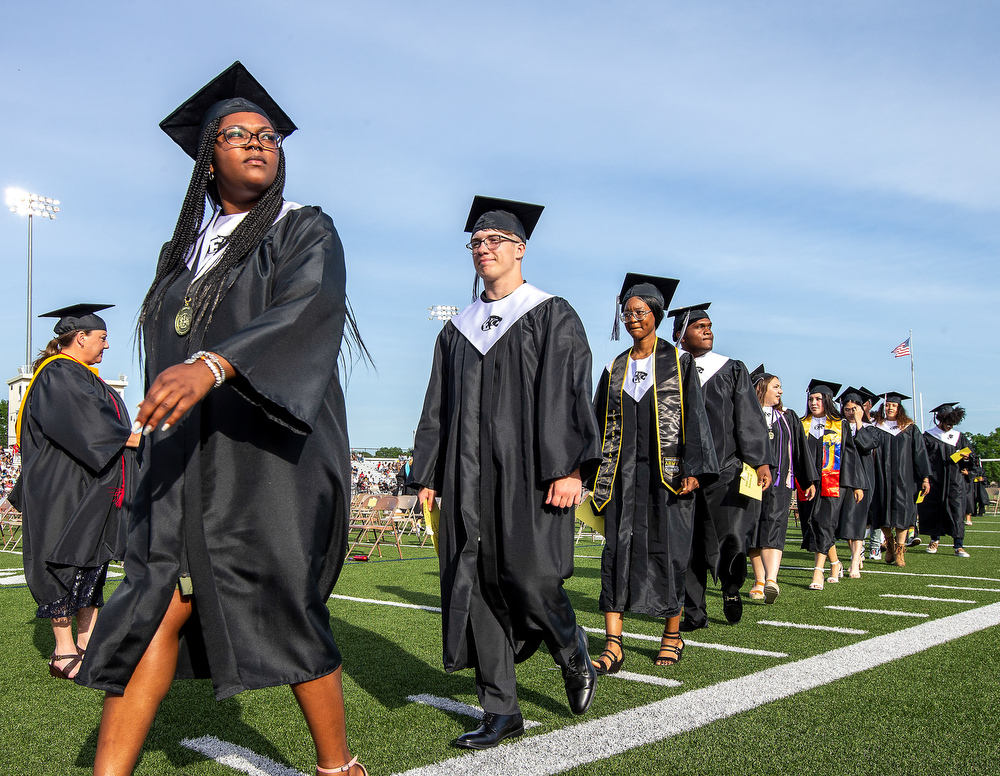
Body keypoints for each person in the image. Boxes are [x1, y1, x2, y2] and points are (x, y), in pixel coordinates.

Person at [75, 63, 366, 776]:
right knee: (154, 608)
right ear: (208, 156)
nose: (258, 142)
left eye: (266, 134)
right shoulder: (181, 258)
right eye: (237, 134)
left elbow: (305, 310)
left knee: (282, 600)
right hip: (182, 461)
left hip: (266, 451)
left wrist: (212, 365)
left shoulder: (304, 229)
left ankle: (338, 767)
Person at [411, 195, 601, 750]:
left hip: (532, 473)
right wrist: (427, 472)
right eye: (476, 242)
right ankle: (501, 709)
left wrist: (568, 467)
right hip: (467, 477)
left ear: (520, 248)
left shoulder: (550, 313)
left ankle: (571, 645)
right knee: (477, 584)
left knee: (531, 575)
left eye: (495, 240)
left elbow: (569, 392)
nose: (484, 248)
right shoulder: (458, 329)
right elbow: (437, 406)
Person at [590, 274, 717, 673]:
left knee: (672, 554)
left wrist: (695, 469)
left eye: (639, 312)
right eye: (627, 313)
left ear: (656, 315)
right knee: (617, 554)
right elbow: (597, 422)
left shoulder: (679, 364)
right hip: (622, 478)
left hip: (669, 476)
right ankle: (614, 644)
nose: (632, 319)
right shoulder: (615, 367)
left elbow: (696, 417)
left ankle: (672, 635)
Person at [11, 304, 139, 680]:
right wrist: (145, 439)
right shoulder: (58, 375)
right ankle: (64, 652)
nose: (107, 345)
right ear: (80, 337)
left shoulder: (82, 375)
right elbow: (91, 428)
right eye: (101, 337)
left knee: (91, 561)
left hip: (90, 485)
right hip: (62, 488)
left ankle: (89, 643)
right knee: (63, 562)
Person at [670, 303, 772, 629]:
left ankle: (730, 587)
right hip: (684, 473)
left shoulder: (730, 368)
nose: (708, 330)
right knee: (688, 543)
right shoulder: (668, 371)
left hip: (725, 470)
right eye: (699, 326)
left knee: (730, 536)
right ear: (679, 335)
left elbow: (748, 417)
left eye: (709, 325)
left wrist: (760, 462)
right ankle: (695, 612)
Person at [747, 367, 817, 602]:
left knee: (774, 525)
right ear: (761, 388)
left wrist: (807, 480)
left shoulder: (788, 417)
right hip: (750, 482)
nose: (781, 391)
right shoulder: (747, 414)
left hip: (780, 483)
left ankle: (771, 580)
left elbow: (800, 449)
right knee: (753, 529)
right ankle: (758, 580)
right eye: (776, 386)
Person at [798, 380, 865, 590]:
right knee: (813, 523)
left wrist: (857, 485)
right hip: (808, 482)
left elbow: (851, 457)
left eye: (818, 399)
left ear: (827, 400)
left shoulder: (840, 424)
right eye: (811, 399)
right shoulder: (801, 424)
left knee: (824, 522)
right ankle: (835, 564)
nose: (813, 403)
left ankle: (818, 571)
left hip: (833, 482)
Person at [871, 391, 930, 565]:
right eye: (888, 405)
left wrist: (925, 478)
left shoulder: (909, 428)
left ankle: (900, 550)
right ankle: (889, 542)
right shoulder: (876, 427)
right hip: (880, 476)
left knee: (903, 513)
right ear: (883, 406)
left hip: (905, 477)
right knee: (881, 511)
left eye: (894, 405)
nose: (890, 408)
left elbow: (920, 453)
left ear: (899, 408)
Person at [836, 388, 881, 574]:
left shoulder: (870, 429)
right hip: (843, 477)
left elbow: (866, 445)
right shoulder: (838, 427)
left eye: (855, 408)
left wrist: (860, 422)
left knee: (858, 519)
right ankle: (857, 552)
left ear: (862, 409)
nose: (851, 412)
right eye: (847, 408)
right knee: (846, 520)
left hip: (863, 478)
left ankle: (855, 560)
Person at [919, 403, 971, 558]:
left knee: (956, 510)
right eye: (947, 422)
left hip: (954, 480)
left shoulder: (959, 437)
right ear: (939, 420)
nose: (950, 426)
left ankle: (958, 545)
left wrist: (967, 458)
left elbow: (970, 459)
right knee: (935, 509)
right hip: (934, 480)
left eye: (952, 423)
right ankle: (934, 540)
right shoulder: (928, 436)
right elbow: (922, 459)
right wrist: (925, 478)